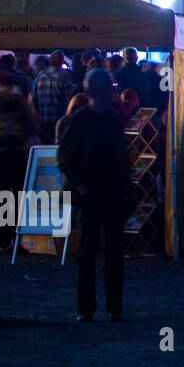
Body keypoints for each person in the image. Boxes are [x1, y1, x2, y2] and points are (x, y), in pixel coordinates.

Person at [57, 70, 131, 322]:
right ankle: (88, 307)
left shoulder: (112, 118)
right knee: (88, 251)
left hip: (110, 193)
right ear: (100, 91)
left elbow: (121, 157)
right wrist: (82, 187)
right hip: (92, 194)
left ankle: (113, 307)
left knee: (112, 251)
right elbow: (66, 159)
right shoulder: (80, 121)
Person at [0, 72, 40, 199]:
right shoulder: (22, 101)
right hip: (20, 149)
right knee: (19, 189)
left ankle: (3, 216)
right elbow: (33, 127)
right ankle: (18, 216)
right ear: (13, 85)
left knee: (0, 190)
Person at [30, 51, 72, 144]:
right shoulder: (64, 76)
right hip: (59, 118)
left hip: (43, 118)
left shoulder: (41, 75)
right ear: (62, 61)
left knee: (45, 146)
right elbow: (69, 98)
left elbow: (34, 97)